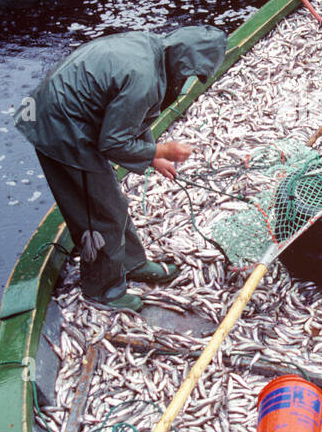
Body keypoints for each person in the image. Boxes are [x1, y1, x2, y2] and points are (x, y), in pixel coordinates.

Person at [15, 26, 227, 312]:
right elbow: (113, 143)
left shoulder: (154, 49)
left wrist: (152, 157)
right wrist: (161, 150)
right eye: (192, 72)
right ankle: (102, 291)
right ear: (183, 60)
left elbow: (132, 118)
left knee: (112, 201)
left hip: (70, 115)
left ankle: (131, 262)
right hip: (59, 127)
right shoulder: (144, 78)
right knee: (101, 212)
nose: (189, 79)